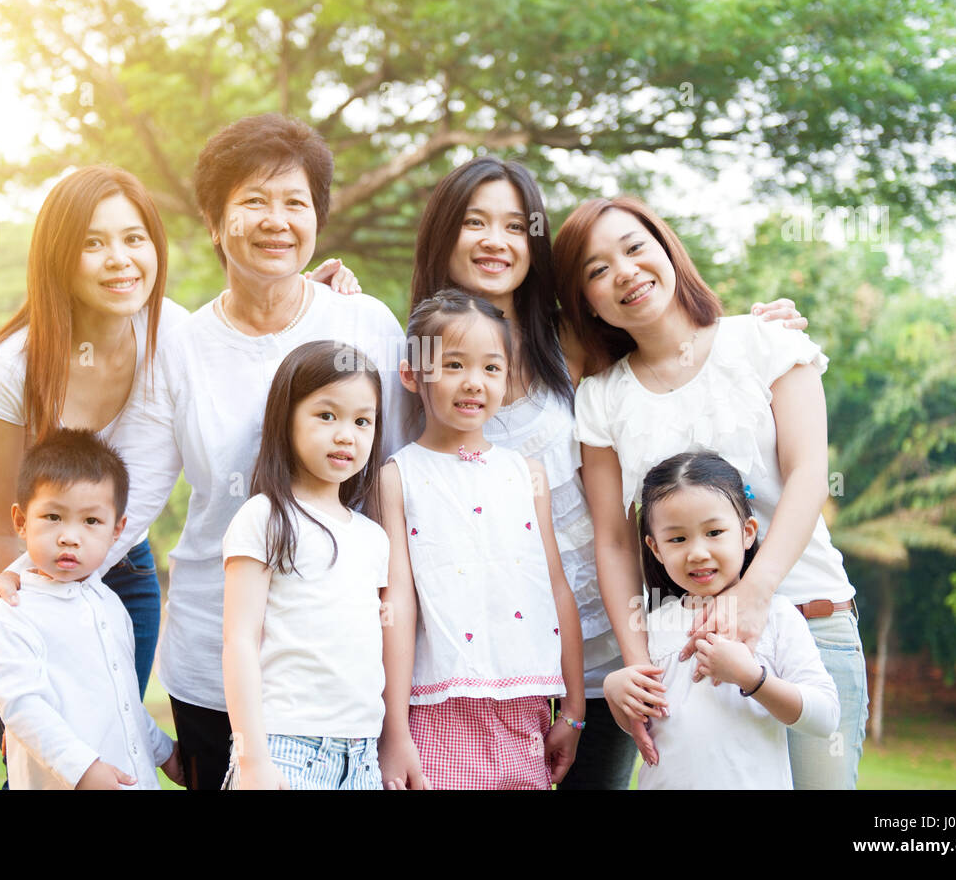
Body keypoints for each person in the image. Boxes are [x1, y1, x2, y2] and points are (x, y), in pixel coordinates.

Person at [409, 156, 808, 790]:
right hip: (469, 663)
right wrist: (330, 292)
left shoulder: (571, 341)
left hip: (599, 657)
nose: (495, 240)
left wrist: (761, 330)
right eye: (474, 222)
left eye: (515, 225)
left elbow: (674, 367)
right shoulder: (409, 351)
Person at [0, 164, 354, 764]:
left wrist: (317, 302)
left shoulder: (172, 333)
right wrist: (28, 606)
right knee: (51, 761)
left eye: (134, 238)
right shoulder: (11, 368)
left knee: (114, 756)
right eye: (94, 243)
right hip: (13, 576)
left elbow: (256, 369)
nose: (120, 259)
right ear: (59, 257)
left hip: (124, 576)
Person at [555, 196, 868, 790]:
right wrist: (640, 662)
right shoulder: (600, 398)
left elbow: (809, 474)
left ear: (667, 248)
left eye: (634, 247)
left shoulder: (764, 342)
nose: (623, 272)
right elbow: (617, 544)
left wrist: (755, 592)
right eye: (596, 270)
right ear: (587, 302)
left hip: (808, 618)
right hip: (686, 648)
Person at [152, 114, 409, 790]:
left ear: (317, 220)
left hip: (341, 675)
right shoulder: (178, 345)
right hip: (214, 653)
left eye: (296, 202)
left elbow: (401, 482)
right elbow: (136, 493)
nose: (277, 220)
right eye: (254, 202)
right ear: (215, 222)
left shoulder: (364, 323)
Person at [378, 289, 585, 790]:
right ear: (411, 374)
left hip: (525, 709)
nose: (474, 383)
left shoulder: (525, 473)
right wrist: (396, 730)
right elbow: (398, 601)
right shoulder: (399, 475)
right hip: (436, 709)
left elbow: (556, 588)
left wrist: (574, 710)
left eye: (491, 368)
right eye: (453, 365)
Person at [607, 450, 839, 789]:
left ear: (747, 533)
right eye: (677, 539)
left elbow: (825, 718)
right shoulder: (652, 627)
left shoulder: (775, 617)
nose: (698, 552)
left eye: (714, 532)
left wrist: (751, 677)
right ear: (655, 548)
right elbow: (646, 725)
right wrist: (617, 693)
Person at [220, 341, 389, 790]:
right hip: (283, 747)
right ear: (286, 418)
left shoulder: (373, 538)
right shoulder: (265, 517)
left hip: (361, 754)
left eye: (362, 421)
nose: (345, 435)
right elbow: (239, 642)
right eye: (326, 415)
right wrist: (252, 758)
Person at [0, 429, 185, 790]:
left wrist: (164, 751)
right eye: (53, 517)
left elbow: (124, 702)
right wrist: (83, 768)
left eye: (91, 521)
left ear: (117, 530)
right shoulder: (9, 615)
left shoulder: (110, 605)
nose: (70, 536)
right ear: (22, 521)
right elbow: (25, 708)